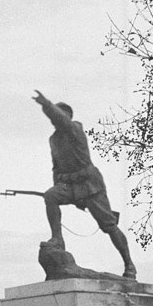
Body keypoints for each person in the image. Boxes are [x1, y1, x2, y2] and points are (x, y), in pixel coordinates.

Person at [33, 90, 137, 279]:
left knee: (109, 226)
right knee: (51, 196)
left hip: (90, 185)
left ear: (67, 116)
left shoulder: (75, 129)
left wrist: (46, 104)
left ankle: (129, 264)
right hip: (69, 185)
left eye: (59, 115)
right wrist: (59, 187)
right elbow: (56, 167)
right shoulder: (54, 139)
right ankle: (58, 239)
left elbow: (61, 120)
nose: (55, 120)